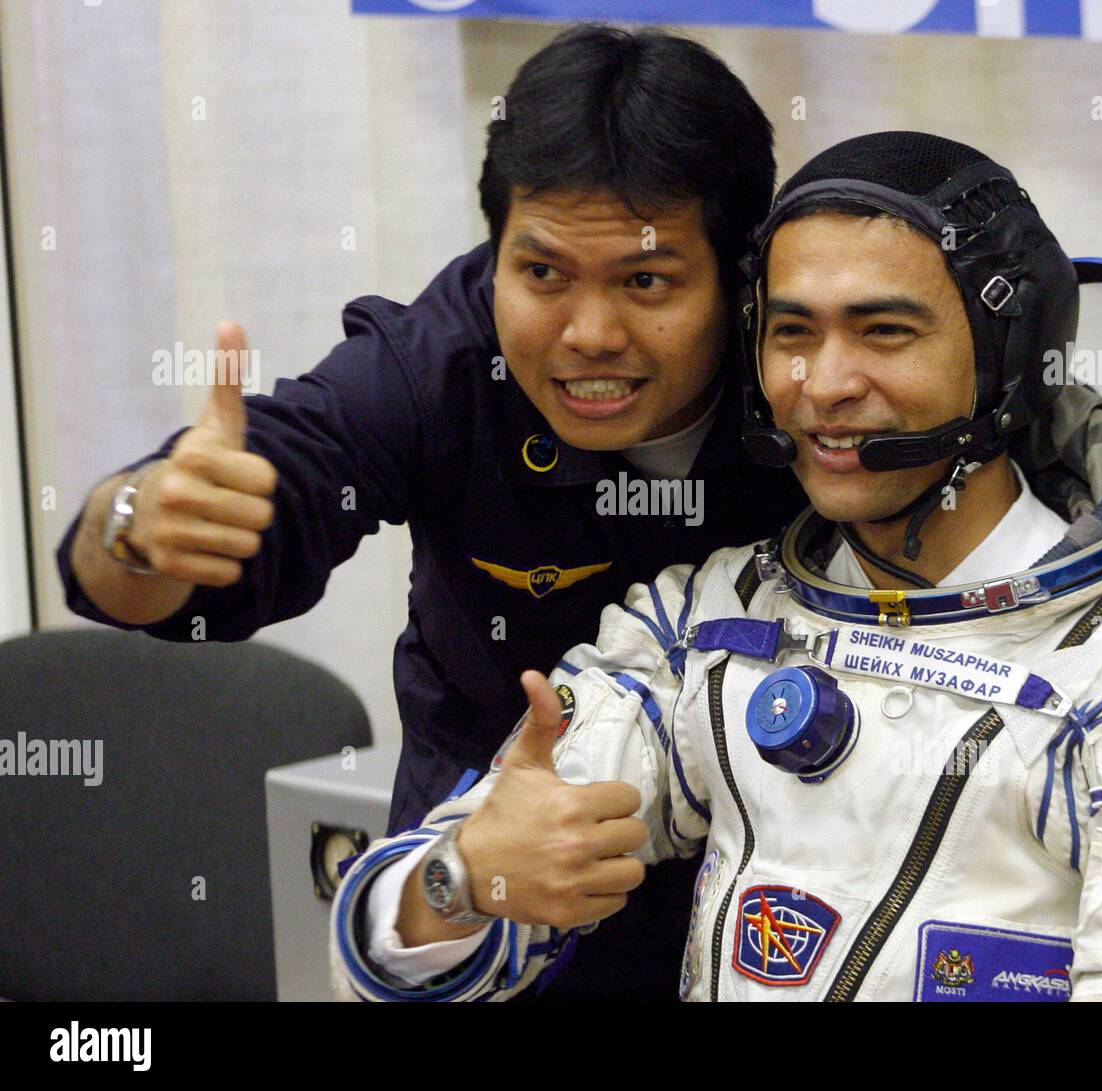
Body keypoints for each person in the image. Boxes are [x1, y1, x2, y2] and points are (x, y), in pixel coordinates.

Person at [330, 132, 1102, 1003]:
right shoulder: (700, 627)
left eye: (884, 332)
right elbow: (404, 966)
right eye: (791, 333)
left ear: (1010, 358)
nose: (822, 386)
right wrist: (460, 876)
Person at [54, 25, 809, 1002]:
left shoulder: (813, 379)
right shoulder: (438, 365)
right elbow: (146, 572)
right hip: (483, 884)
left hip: (776, 889)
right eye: (540, 273)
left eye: (646, 281)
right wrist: (136, 517)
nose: (587, 334)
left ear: (741, 278)